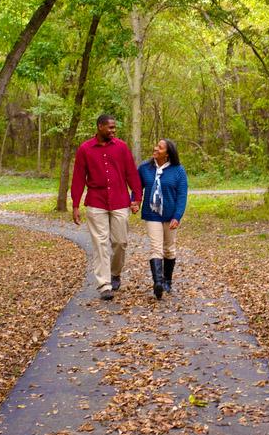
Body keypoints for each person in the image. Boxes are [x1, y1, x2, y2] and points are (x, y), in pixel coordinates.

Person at [70, 114, 141, 301]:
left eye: (114, 127)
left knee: (120, 242)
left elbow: (131, 173)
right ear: (100, 126)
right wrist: (75, 204)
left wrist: (137, 198)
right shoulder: (85, 149)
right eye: (110, 127)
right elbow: (78, 178)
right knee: (100, 244)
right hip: (96, 202)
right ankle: (104, 284)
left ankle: (115, 273)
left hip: (120, 200)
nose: (113, 130)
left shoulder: (121, 147)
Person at [137, 139, 188, 300]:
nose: (155, 148)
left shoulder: (178, 170)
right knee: (155, 248)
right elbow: (137, 188)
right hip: (152, 214)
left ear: (168, 153)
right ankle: (157, 283)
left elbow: (181, 195)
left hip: (170, 215)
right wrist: (135, 201)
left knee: (169, 249)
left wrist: (177, 216)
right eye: (156, 146)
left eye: (160, 147)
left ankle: (168, 280)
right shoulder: (145, 168)